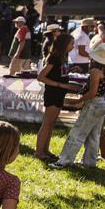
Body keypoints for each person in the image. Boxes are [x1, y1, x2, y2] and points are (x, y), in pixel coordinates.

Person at [49, 42, 105, 171]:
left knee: (77, 133)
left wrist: (78, 101)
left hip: (94, 104)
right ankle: (89, 162)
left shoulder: (95, 70)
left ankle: (64, 161)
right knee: (93, 134)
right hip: (102, 103)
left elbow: (92, 92)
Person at [34, 30, 74, 161]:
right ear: (64, 44)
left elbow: (60, 72)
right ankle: (39, 152)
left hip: (59, 94)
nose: (73, 46)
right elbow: (41, 77)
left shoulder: (64, 57)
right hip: (53, 93)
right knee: (47, 123)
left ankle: (45, 150)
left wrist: (72, 70)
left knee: (51, 124)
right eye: (71, 44)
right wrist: (61, 85)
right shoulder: (54, 57)